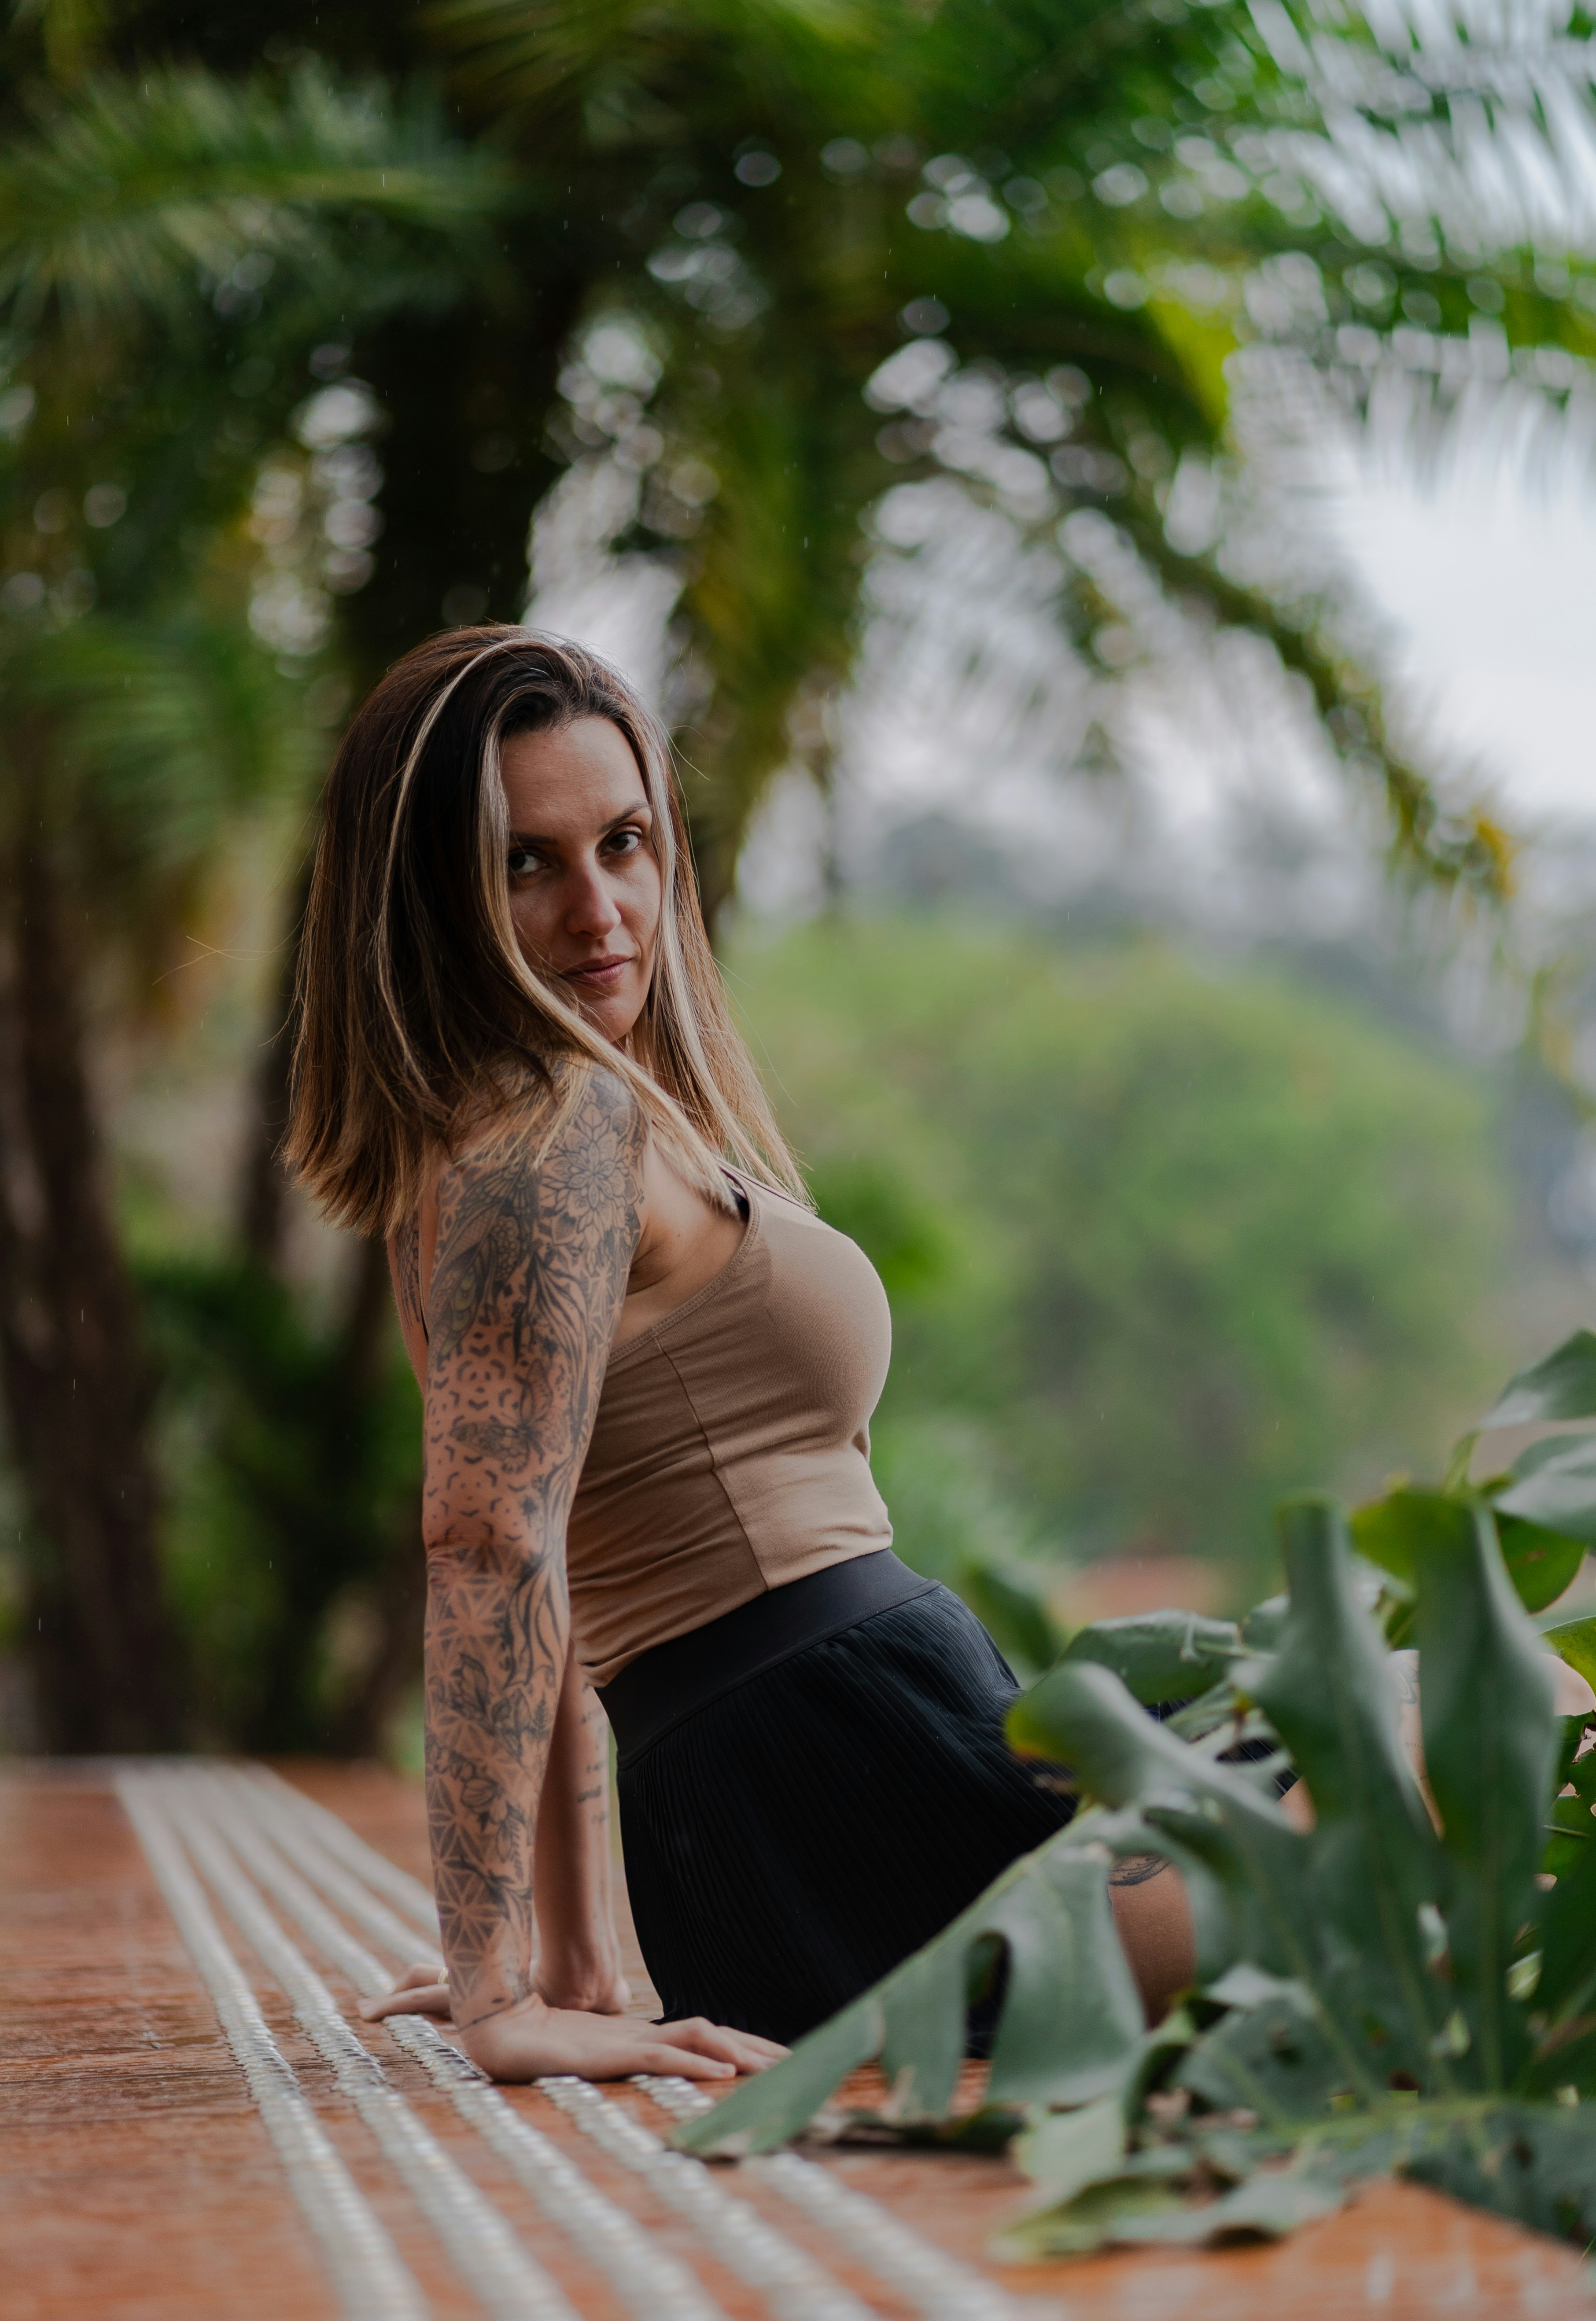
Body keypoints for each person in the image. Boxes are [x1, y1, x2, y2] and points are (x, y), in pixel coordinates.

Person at [287, 624, 1192, 2086]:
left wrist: (575, 1964)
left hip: (872, 1765)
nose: (600, 909)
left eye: (626, 843)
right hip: (869, 1797)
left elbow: (557, 1559)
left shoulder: (523, 1140)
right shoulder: (548, 1140)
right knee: (1506, 1723)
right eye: (528, 863)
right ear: (433, 898)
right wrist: (497, 1988)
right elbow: (490, 1549)